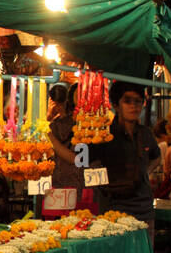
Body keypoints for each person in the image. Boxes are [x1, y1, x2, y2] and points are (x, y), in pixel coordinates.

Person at [90, 81, 160, 238]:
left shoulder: (145, 133)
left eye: (138, 101)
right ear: (116, 105)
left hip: (144, 211)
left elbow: (157, 157)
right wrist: (52, 139)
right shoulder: (104, 135)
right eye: (127, 101)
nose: (133, 106)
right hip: (114, 213)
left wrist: (144, 172)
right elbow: (80, 159)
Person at [43, 83, 90, 218]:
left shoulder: (86, 127)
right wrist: (47, 119)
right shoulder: (52, 123)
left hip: (77, 190)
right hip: (55, 188)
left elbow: (80, 160)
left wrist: (49, 135)